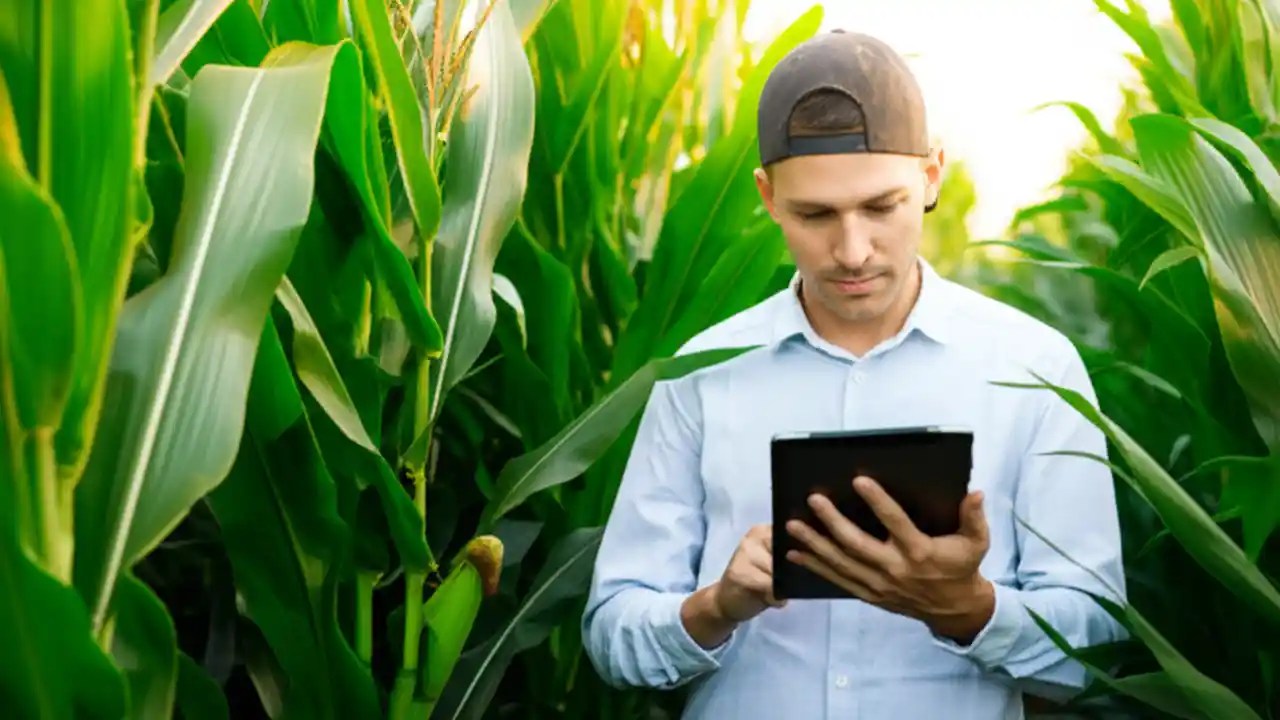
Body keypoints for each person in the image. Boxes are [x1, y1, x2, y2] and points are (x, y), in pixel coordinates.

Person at [580, 29, 1128, 720]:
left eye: (881, 206)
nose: (852, 250)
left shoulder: (1034, 369)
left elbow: (1099, 643)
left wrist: (968, 609)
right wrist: (715, 607)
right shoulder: (702, 374)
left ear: (930, 177)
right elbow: (611, 636)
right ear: (768, 196)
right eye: (815, 215)